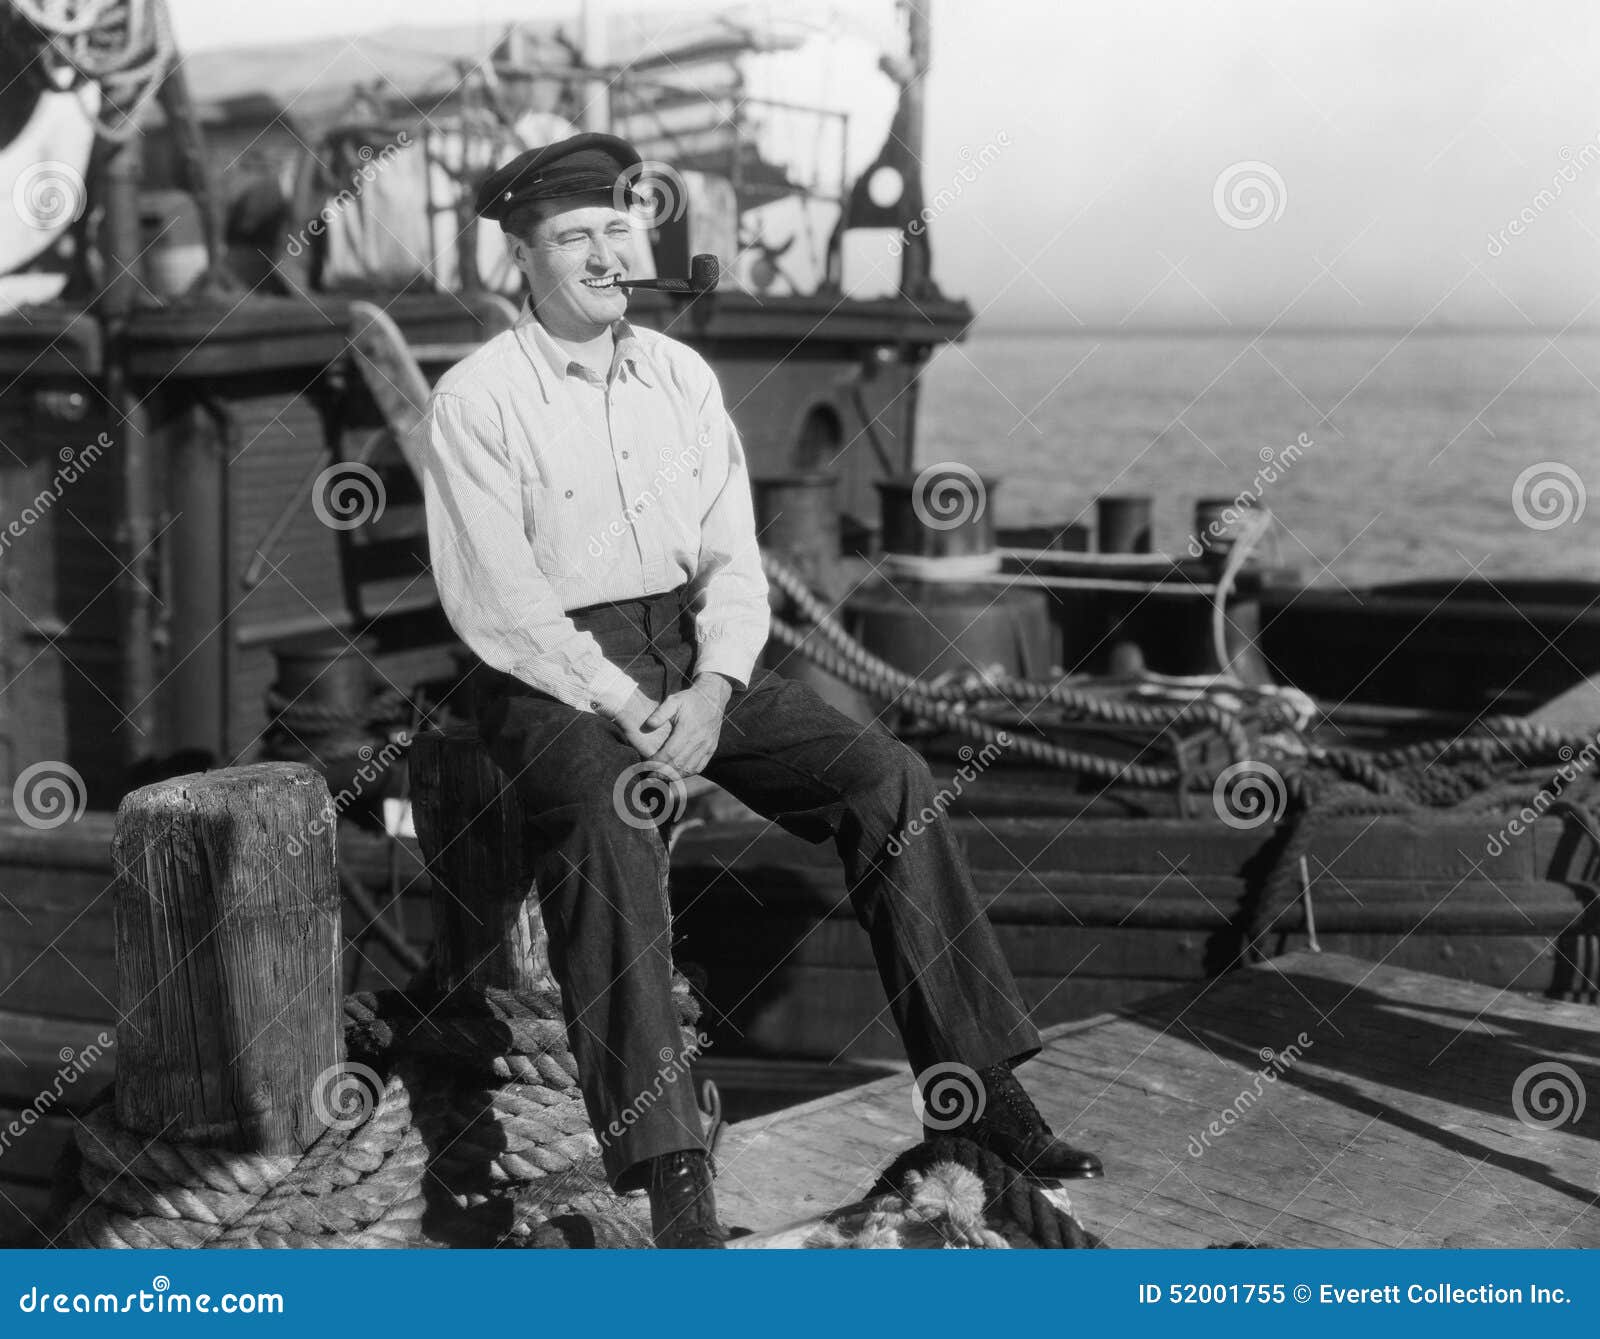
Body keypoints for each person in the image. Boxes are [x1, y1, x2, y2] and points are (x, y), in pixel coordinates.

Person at [416, 132, 1104, 1249]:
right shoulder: (479, 399)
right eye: (572, 238)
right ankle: (672, 1169)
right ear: (525, 260)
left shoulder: (680, 378)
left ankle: (981, 1092)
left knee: (889, 776)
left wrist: (715, 685)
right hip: (547, 678)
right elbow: (502, 605)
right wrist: (629, 711)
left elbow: (733, 559)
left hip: (690, 651)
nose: (601, 257)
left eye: (615, 233)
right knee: (609, 816)